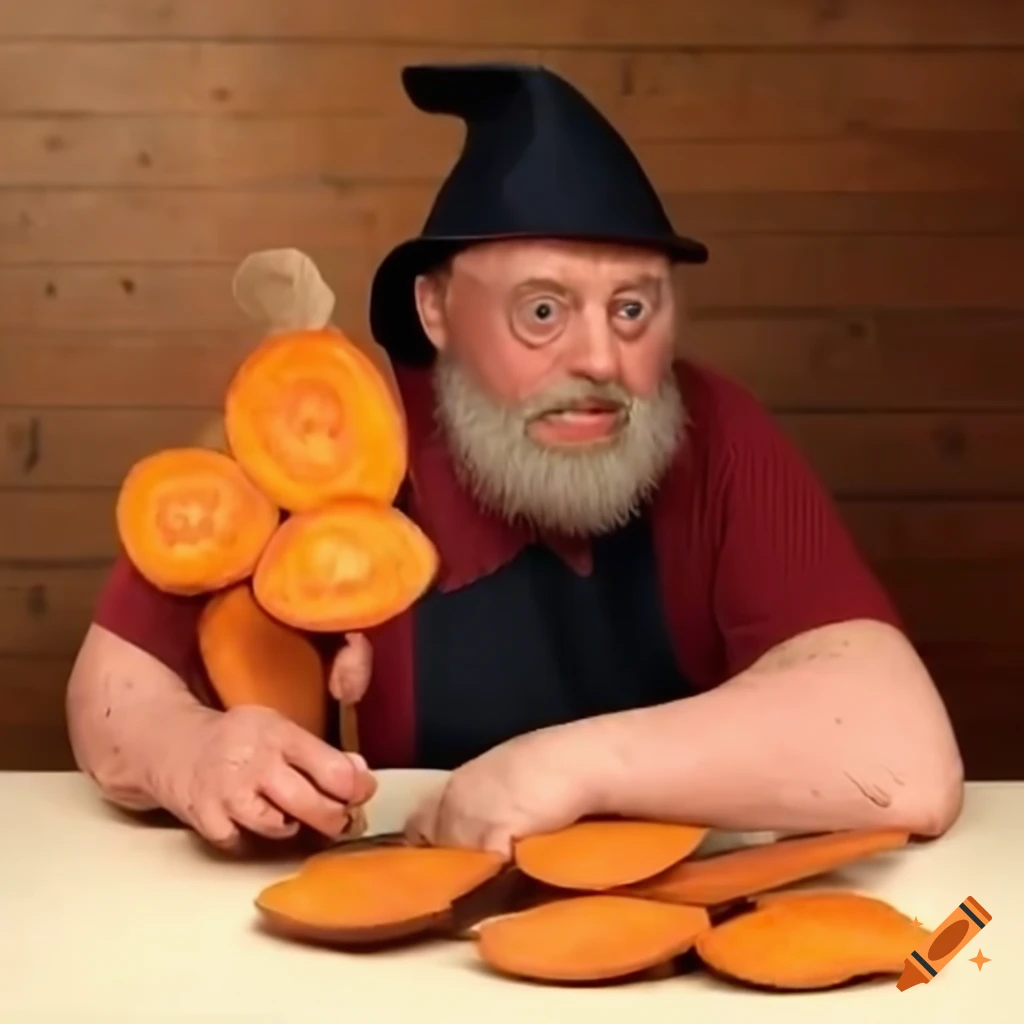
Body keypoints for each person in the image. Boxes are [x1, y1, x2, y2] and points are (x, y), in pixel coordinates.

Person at [65, 62, 964, 856]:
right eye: (542, 312)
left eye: (632, 310)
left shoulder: (719, 434)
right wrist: (192, 752)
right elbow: (113, 693)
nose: (602, 362)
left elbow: (905, 754)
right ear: (436, 312)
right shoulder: (318, 439)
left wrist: (573, 766)